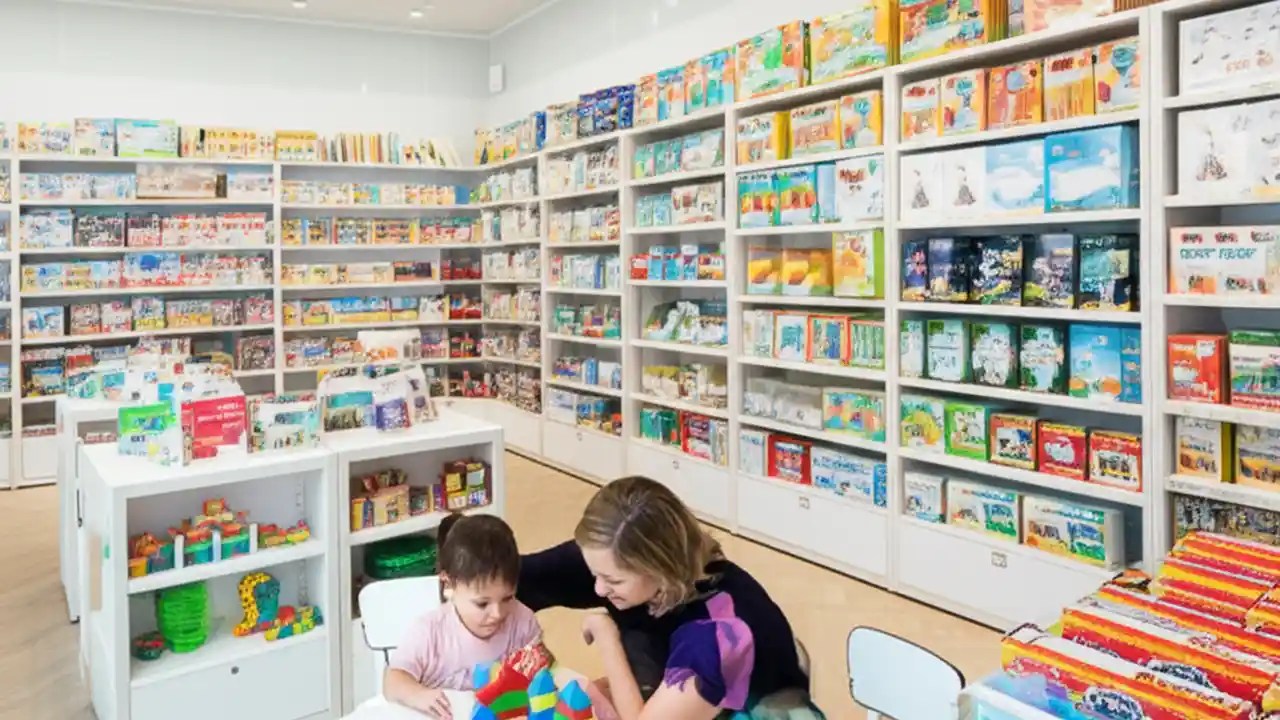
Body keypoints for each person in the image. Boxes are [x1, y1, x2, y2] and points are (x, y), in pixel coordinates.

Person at [518, 476, 822, 720]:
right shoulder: (625, 557)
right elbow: (521, 575)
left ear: (659, 570)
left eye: (612, 580)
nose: (598, 589)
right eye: (594, 573)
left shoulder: (713, 638)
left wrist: (605, 633)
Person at [383, 513, 540, 719]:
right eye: (482, 603)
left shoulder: (522, 623)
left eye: (507, 598)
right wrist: (418, 695)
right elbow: (392, 681)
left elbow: (537, 677)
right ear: (448, 584)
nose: (497, 614)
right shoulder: (429, 632)